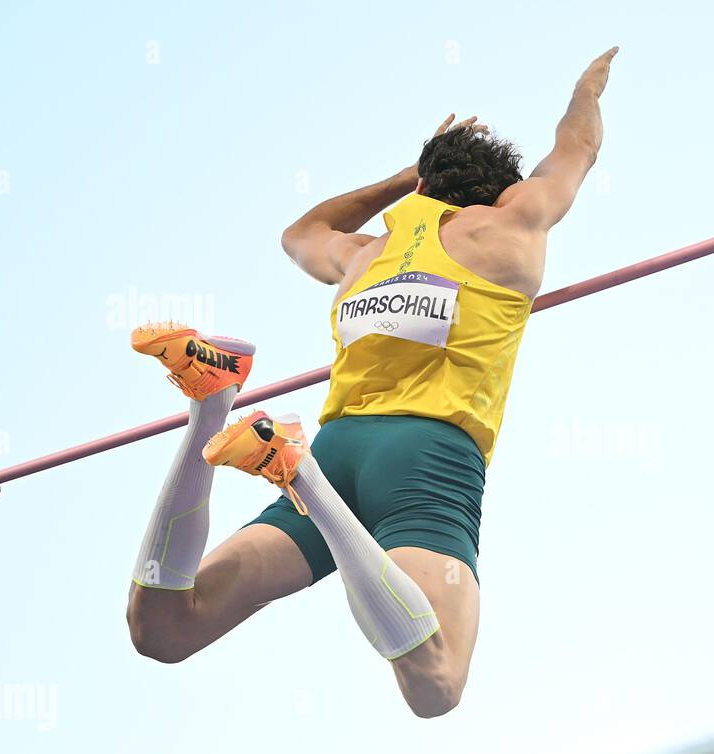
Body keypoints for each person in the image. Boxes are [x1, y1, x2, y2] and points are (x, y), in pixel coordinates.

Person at [125, 47, 619, 717]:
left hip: (340, 449)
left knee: (163, 628)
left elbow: (301, 233)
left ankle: (214, 405)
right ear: (500, 191)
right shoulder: (513, 220)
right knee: (436, 683)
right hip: (425, 462)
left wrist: (403, 181)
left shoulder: (364, 253)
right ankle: (292, 472)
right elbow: (577, 146)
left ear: (424, 186)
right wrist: (587, 88)